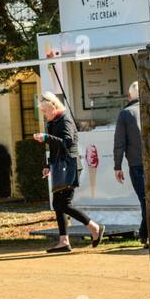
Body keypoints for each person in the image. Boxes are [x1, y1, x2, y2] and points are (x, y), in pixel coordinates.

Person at [33, 92, 103, 254]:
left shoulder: (65, 120)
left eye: (45, 111)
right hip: (59, 166)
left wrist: (46, 137)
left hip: (69, 166)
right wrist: (48, 165)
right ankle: (63, 241)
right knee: (58, 204)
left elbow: (67, 143)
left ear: (53, 106)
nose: (44, 115)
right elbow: (53, 147)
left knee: (62, 204)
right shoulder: (53, 122)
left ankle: (94, 227)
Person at [114, 81, 147, 247]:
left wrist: (117, 166)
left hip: (136, 164)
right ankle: (146, 233)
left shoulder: (125, 114)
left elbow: (119, 143)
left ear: (129, 96)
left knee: (144, 199)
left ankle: (145, 234)